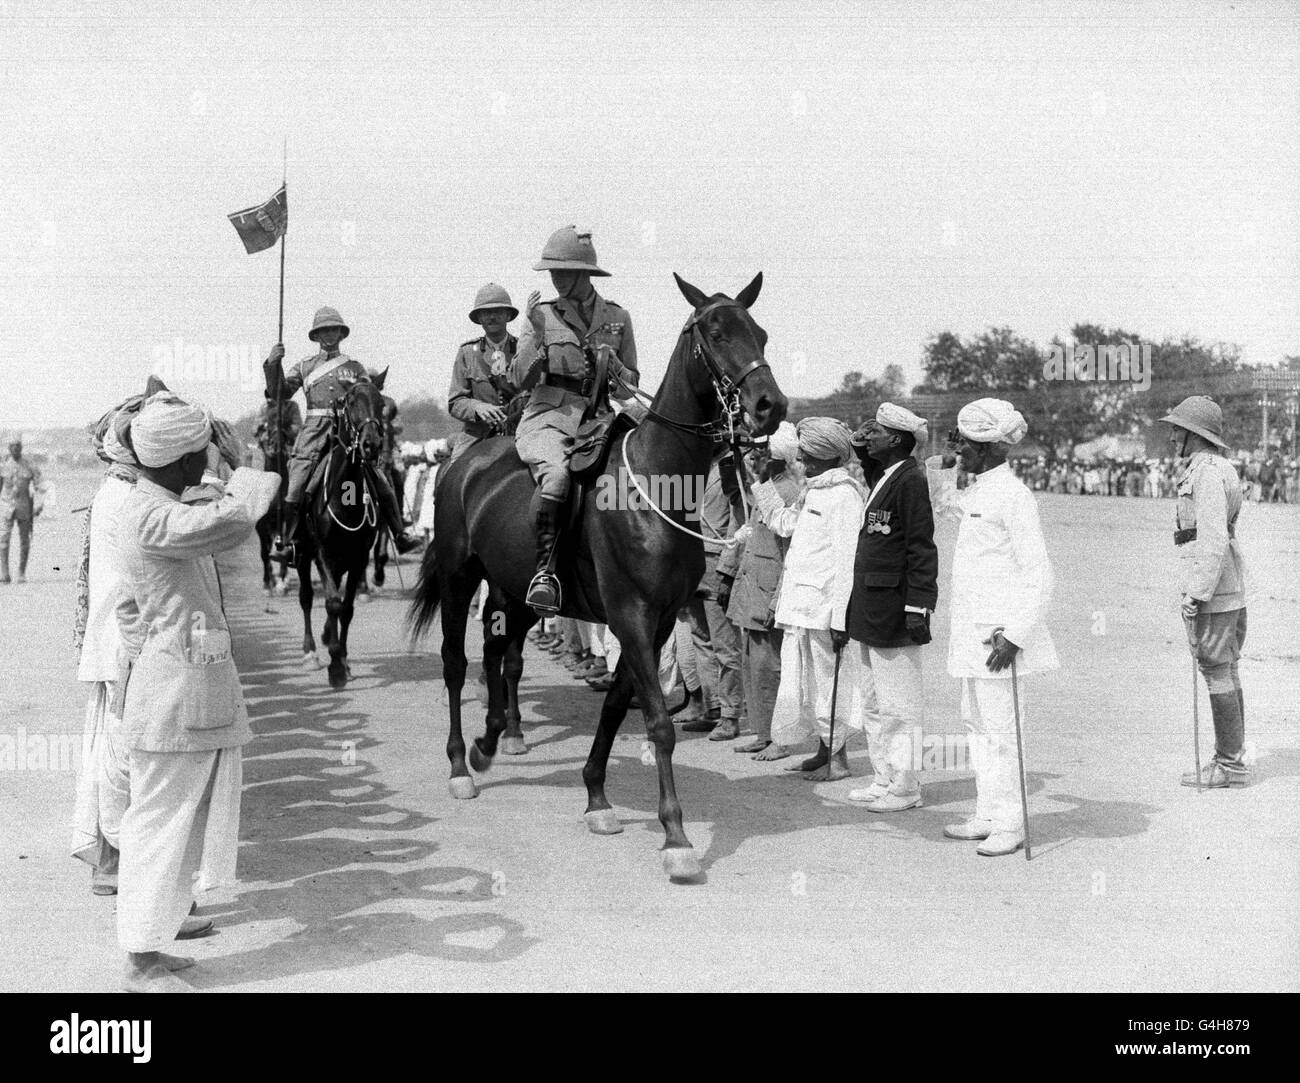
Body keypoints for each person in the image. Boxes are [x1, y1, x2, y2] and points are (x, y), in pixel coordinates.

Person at [112, 391, 279, 991]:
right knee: (160, 825)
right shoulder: (155, 517)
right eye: (199, 455)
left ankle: (153, 946)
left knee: (181, 822)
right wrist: (243, 469)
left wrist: (162, 650)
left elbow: (131, 611)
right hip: (175, 699)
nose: (204, 465)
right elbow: (234, 517)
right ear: (182, 461)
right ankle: (138, 961)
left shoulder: (154, 507)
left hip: (177, 690)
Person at [926, 399, 1057, 857]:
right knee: (976, 725)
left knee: (1004, 731)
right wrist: (943, 463)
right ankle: (987, 812)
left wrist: (1016, 635)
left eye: (963, 442)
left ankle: (1011, 821)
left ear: (987, 448)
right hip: (971, 633)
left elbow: (1039, 574)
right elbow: (938, 500)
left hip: (999, 638)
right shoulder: (977, 488)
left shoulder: (1013, 495)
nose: (956, 447)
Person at [510, 226, 639, 612]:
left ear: (585, 273)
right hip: (547, 417)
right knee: (559, 475)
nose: (555, 278)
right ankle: (545, 573)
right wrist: (534, 335)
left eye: (563, 271)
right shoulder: (541, 315)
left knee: (644, 473)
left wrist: (614, 364)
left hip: (599, 418)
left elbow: (629, 388)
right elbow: (519, 379)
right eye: (552, 271)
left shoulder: (618, 316)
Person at [753, 418, 866, 781]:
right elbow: (785, 525)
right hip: (800, 607)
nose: (799, 462)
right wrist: (761, 483)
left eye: (805, 457)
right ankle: (823, 750)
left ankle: (839, 760)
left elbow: (848, 561)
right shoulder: (814, 491)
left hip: (824, 610)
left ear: (822, 456)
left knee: (831, 684)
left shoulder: (845, 495)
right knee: (805, 685)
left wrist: (840, 619)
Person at [262, 306, 418, 563]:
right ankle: (289, 543)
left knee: (383, 483)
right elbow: (279, 393)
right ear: (316, 335)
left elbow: (368, 395)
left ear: (341, 333)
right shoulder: (304, 367)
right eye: (324, 330)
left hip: (349, 434)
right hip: (314, 432)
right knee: (296, 487)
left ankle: (399, 534)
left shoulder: (355, 367)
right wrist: (273, 363)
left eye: (334, 329)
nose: (329, 334)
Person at [842, 404, 938, 812]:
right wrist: (859, 443)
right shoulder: (886, 476)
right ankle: (883, 775)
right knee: (873, 700)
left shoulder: (911, 480)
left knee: (900, 704)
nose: (870, 436)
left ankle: (906, 785)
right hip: (869, 606)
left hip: (897, 608)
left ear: (897, 439)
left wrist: (919, 606)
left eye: (877, 431)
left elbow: (921, 546)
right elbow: (865, 461)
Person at [1162, 396, 1251, 787]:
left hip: (1214, 588)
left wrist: (1196, 593)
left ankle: (1228, 764)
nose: (1171, 436)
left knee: (1217, 671)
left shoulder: (1206, 474)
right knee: (1225, 670)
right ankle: (1230, 760)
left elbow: (1212, 539)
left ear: (1193, 434)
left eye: (1177, 429)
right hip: (1225, 583)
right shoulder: (1215, 468)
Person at [720, 422, 800, 757]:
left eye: (764, 452)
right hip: (752, 587)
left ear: (779, 457)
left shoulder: (788, 491)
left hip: (768, 591)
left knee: (770, 668)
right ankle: (763, 732)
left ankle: (778, 738)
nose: (756, 457)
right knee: (754, 665)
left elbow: (789, 552)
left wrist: (777, 599)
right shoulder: (767, 488)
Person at [680, 447, 746, 740]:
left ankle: (731, 715)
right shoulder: (692, 463)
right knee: (700, 639)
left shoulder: (731, 466)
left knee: (724, 644)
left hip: (716, 561)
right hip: (690, 560)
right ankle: (713, 708)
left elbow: (740, 516)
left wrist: (728, 567)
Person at [447, 283, 522, 460]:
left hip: (520, 432)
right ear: (479, 318)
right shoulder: (467, 352)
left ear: (508, 315)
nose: (492, 317)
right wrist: (478, 407)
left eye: (497, 311)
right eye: (486, 313)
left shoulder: (523, 349)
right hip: (477, 435)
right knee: (453, 473)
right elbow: (455, 401)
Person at [0, 434, 47, 584]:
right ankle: (4, 574)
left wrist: (39, 504)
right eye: (12, 446)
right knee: (3, 539)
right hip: (7, 507)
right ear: (9, 448)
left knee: (24, 541)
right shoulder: (3, 466)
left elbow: (40, 486)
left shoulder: (29, 465)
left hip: (24, 508)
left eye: (18, 446)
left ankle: (21, 573)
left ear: (21, 448)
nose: (15, 449)